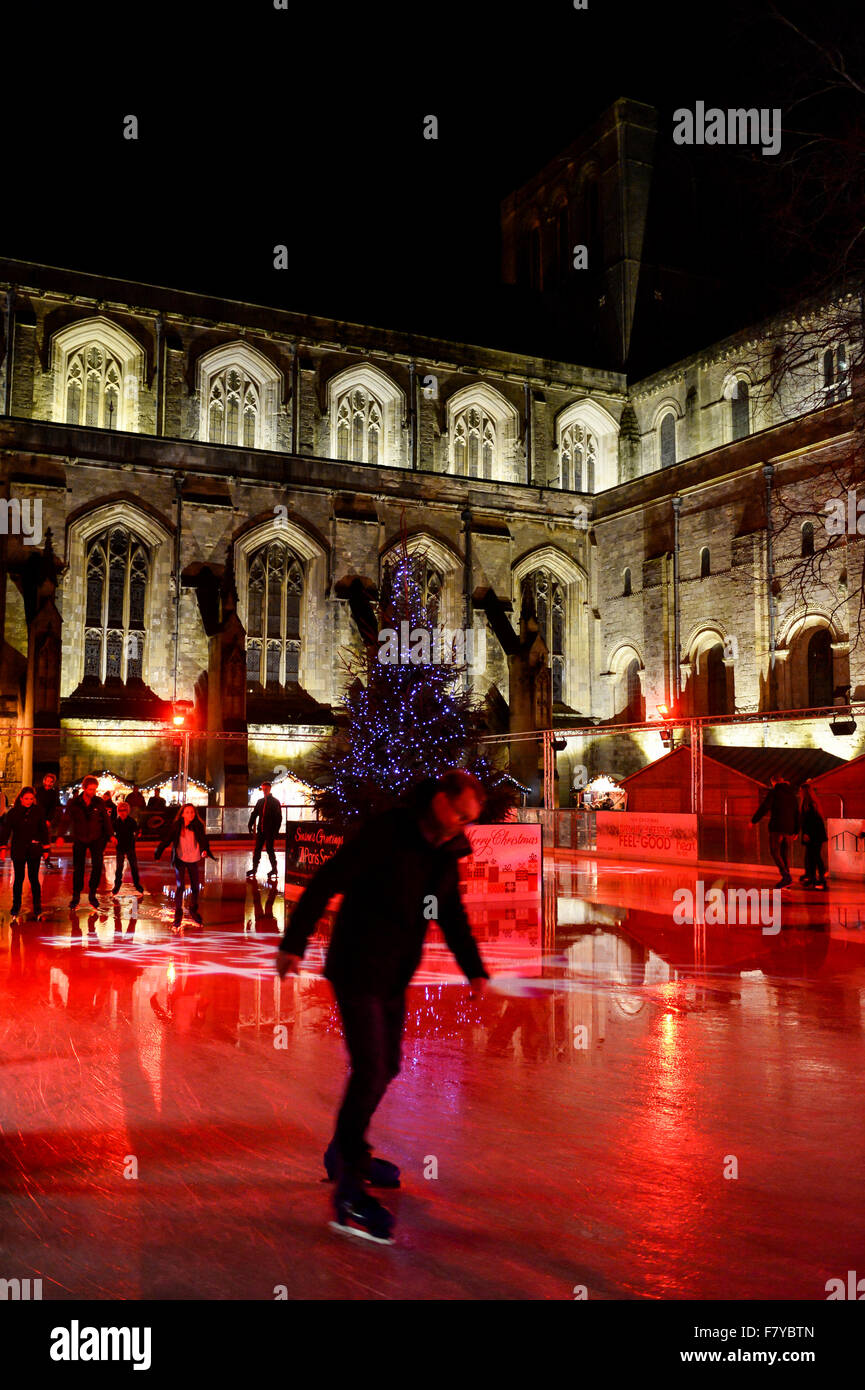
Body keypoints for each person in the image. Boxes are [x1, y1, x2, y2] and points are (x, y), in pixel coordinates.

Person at [276, 769, 490, 1245]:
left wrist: (473, 968)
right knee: (371, 1069)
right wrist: (295, 941)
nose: (461, 824)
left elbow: (447, 912)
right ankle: (349, 1191)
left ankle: (343, 1153)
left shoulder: (443, 854)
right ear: (438, 801)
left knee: (387, 1065)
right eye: (458, 813)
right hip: (356, 965)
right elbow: (329, 878)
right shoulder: (388, 833)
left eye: (468, 819)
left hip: (394, 974)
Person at [155, 803, 216, 926]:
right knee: (180, 886)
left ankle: (193, 910)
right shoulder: (177, 826)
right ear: (182, 814)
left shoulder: (198, 825)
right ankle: (178, 912)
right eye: (187, 812)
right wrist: (158, 852)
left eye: (192, 812)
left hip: (194, 858)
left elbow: (204, 840)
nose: (190, 814)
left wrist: (205, 850)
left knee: (195, 886)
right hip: (180, 859)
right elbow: (167, 839)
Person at [0, 787, 51, 922]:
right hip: (19, 849)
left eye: (31, 799)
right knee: (19, 879)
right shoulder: (13, 813)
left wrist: (46, 849)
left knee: (34, 879)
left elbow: (43, 830)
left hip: (34, 849)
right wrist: (3, 847)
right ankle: (15, 907)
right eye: (26, 798)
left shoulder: (38, 811)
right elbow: (6, 830)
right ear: (21, 798)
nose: (29, 801)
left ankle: (37, 908)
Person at [65, 775, 114, 909]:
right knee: (78, 868)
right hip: (80, 837)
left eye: (94, 790)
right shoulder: (74, 802)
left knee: (97, 866)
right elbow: (66, 819)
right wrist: (60, 835)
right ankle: (76, 896)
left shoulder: (99, 802)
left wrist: (111, 835)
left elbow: (106, 819)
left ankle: (92, 893)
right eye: (90, 789)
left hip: (96, 838)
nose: (93, 792)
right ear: (84, 788)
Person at [752, 773, 800, 888]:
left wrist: (754, 820)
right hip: (789, 828)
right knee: (784, 853)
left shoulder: (774, 792)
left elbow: (765, 807)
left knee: (774, 851)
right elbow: (797, 813)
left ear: (773, 782)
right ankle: (787, 879)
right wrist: (797, 830)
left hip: (777, 827)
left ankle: (786, 876)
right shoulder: (792, 795)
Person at [247, 782, 283, 879]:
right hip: (261, 830)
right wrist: (250, 824)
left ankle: (274, 868)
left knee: (269, 849)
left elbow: (278, 817)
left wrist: (276, 831)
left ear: (269, 789)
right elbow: (254, 813)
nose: (264, 791)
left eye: (266, 789)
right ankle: (254, 868)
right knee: (257, 849)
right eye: (263, 789)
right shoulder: (260, 802)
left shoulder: (275, 802)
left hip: (270, 831)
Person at [112, 800, 145, 897]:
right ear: (118, 811)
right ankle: (117, 885)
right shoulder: (116, 822)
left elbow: (137, 830)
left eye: (124, 810)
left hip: (130, 846)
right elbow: (112, 833)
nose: (122, 812)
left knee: (134, 866)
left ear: (127, 811)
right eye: (120, 810)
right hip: (120, 847)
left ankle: (137, 884)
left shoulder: (131, 821)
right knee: (119, 867)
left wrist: (137, 834)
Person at [799, 781, 829, 890]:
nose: (799, 793)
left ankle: (821, 878)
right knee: (812, 856)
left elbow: (811, 821)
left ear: (804, 792)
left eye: (801, 791)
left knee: (815, 856)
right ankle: (813, 878)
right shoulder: (810, 803)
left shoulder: (810, 804)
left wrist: (807, 833)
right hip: (815, 834)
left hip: (814, 835)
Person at [36, 772, 62, 868]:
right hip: (36, 818)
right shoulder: (38, 791)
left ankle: (47, 860)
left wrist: (49, 820)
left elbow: (53, 808)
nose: (49, 783)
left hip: (46, 819)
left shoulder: (53, 793)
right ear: (44, 781)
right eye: (48, 781)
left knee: (46, 840)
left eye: (51, 781)